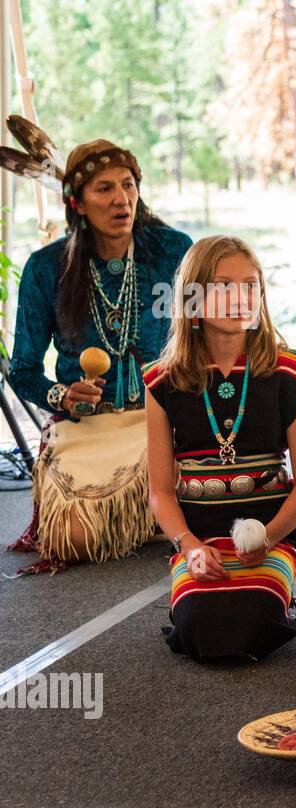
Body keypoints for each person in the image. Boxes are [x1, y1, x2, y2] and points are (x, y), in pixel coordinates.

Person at [5, 130, 192, 571]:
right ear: (78, 202)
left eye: (128, 185)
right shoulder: (46, 267)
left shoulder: (173, 252)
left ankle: (152, 511)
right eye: (104, 188)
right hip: (86, 426)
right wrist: (62, 396)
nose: (120, 199)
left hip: (163, 419)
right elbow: (24, 368)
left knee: (222, 499)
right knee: (72, 541)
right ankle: (146, 517)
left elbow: (203, 335)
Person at [143, 235, 296, 661]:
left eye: (250, 285)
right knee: (201, 630)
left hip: (273, 529)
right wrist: (190, 547)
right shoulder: (162, 382)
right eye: (223, 285)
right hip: (199, 533)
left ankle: (278, 572)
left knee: (251, 624)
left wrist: (270, 536)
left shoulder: (289, 373)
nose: (239, 297)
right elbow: (161, 493)